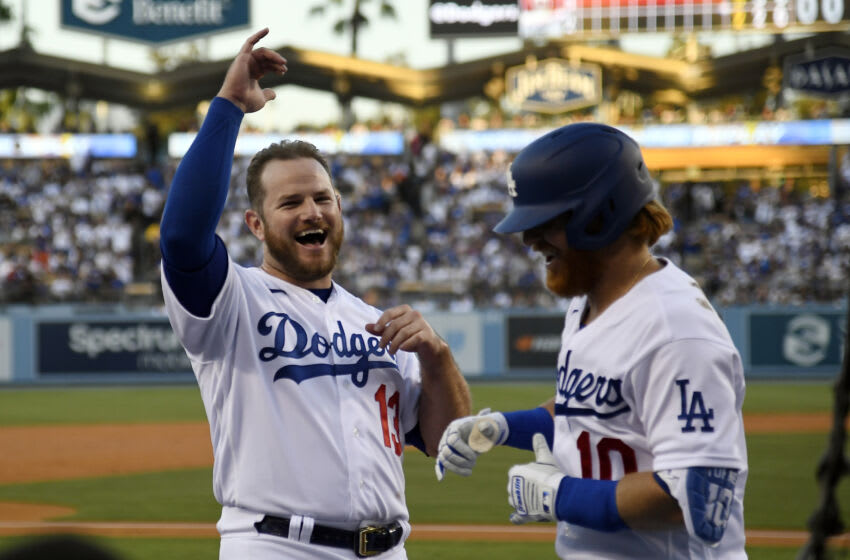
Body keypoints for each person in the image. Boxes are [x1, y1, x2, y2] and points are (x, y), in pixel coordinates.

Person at [159, 28, 471, 559]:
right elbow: (183, 237)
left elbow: (452, 446)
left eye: (323, 198)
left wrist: (438, 358)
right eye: (291, 202)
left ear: (340, 210)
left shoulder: (373, 321)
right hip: (277, 546)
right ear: (256, 224)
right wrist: (230, 105)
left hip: (387, 549)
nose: (312, 211)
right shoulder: (231, 302)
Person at [435, 123, 748, 559]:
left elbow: (696, 496)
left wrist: (560, 496)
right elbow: (586, 415)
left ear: (600, 215)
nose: (529, 240)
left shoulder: (677, 329)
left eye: (544, 222)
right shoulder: (590, 300)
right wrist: (502, 427)